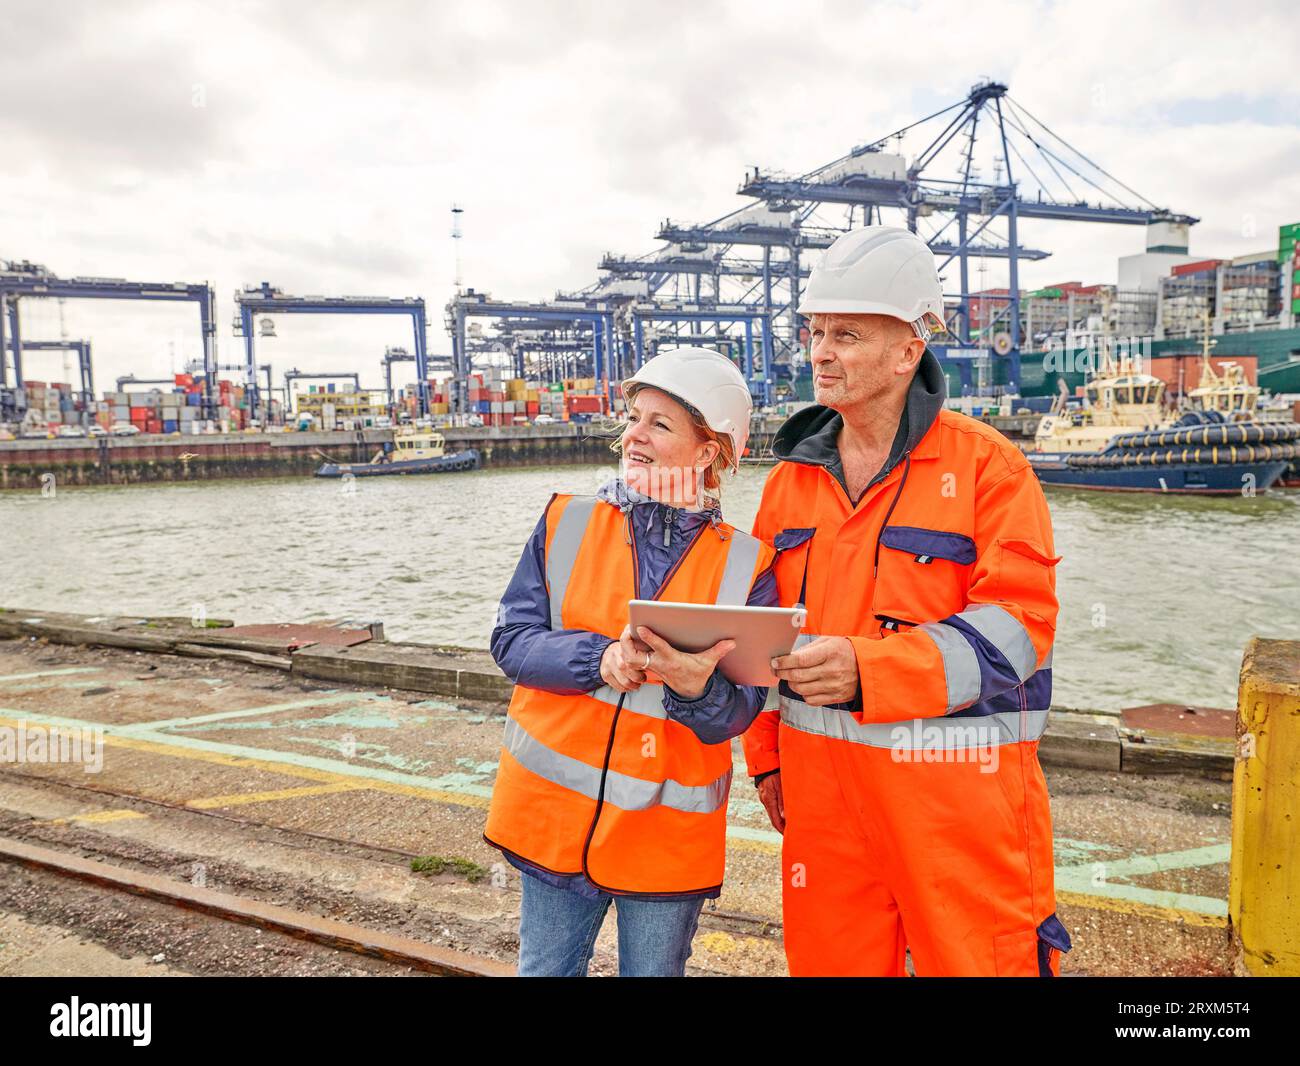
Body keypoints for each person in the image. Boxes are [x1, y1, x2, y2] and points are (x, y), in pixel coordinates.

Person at [744, 226, 1072, 976]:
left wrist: (873, 671)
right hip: (821, 810)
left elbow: (1022, 627)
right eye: (816, 332)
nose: (820, 352)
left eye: (846, 334)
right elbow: (763, 634)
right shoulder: (789, 481)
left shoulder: (989, 467)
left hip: (956, 807)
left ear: (907, 349)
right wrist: (766, 764)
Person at [485, 347, 777, 977]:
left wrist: (699, 690)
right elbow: (511, 642)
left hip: (664, 838)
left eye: (659, 424)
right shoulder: (566, 522)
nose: (633, 436)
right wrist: (599, 658)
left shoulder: (748, 566)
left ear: (707, 452)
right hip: (554, 819)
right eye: (635, 417)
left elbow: (739, 713)